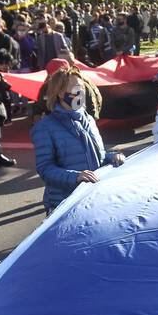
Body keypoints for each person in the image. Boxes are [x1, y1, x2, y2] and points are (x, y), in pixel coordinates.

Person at [32, 68, 125, 215]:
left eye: (82, 88)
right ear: (61, 93)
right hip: (64, 204)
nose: (81, 93)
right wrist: (76, 176)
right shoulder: (45, 127)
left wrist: (112, 157)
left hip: (93, 200)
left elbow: (98, 155)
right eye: (76, 89)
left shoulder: (88, 119)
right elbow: (45, 169)